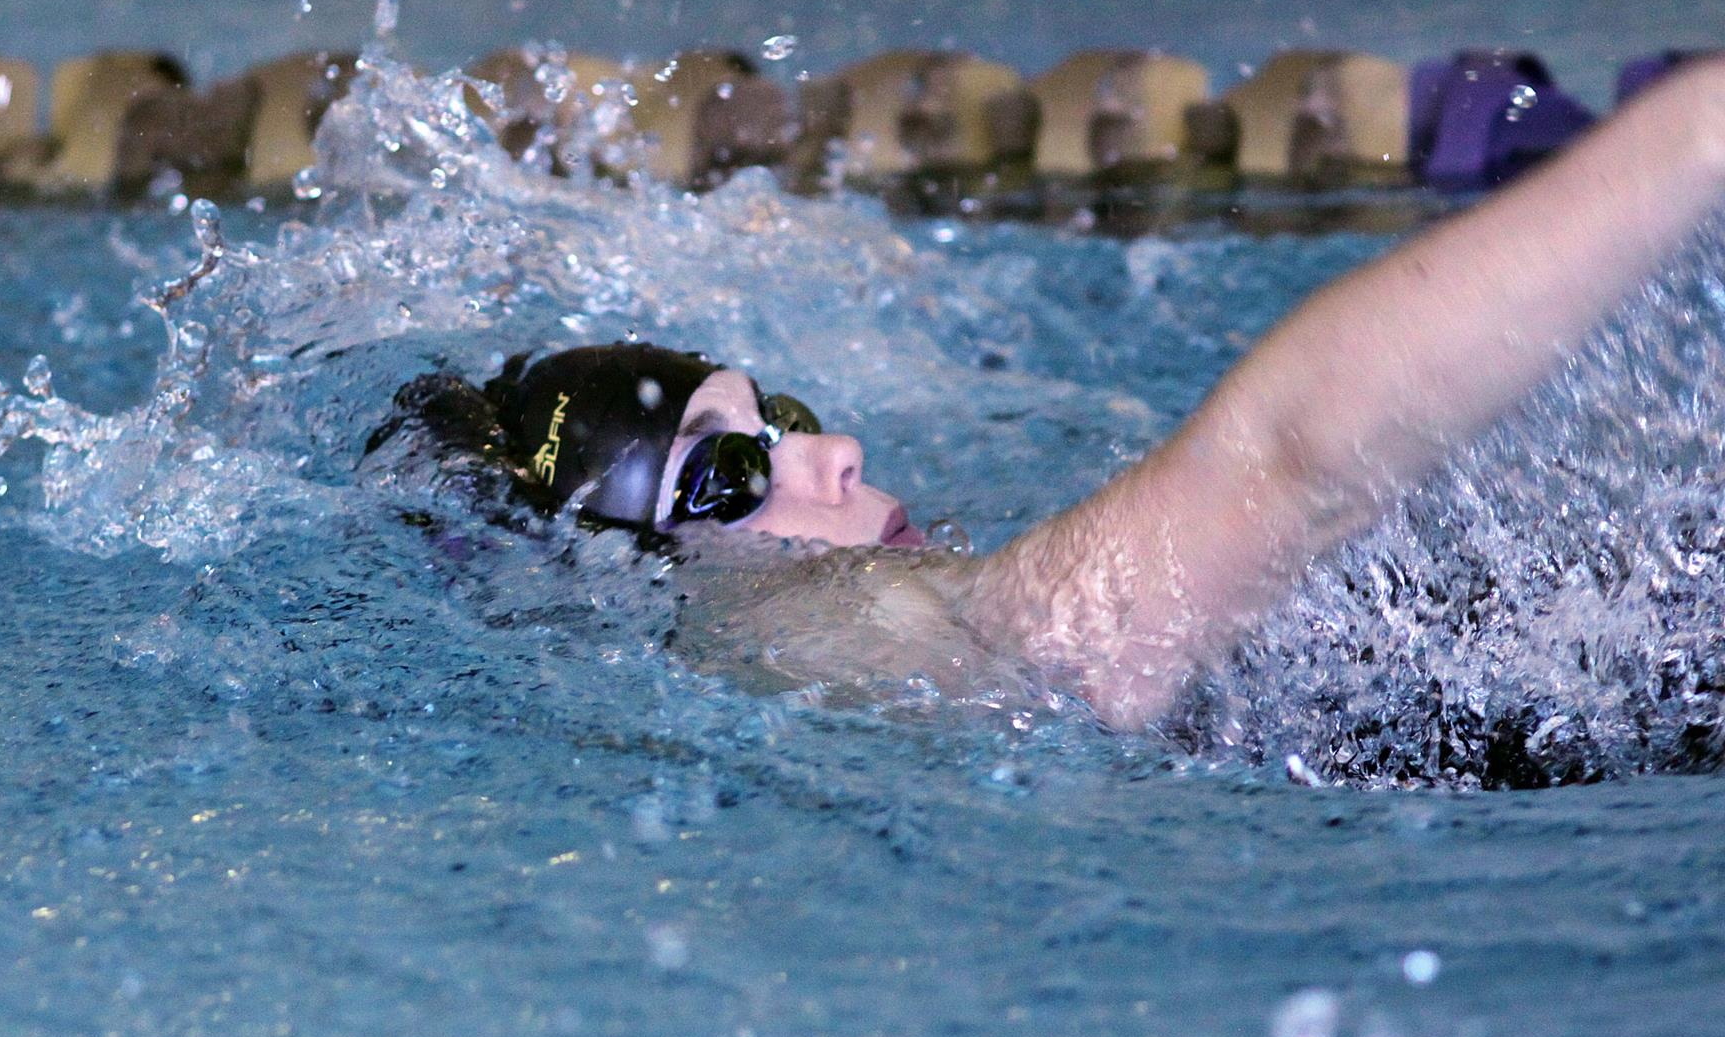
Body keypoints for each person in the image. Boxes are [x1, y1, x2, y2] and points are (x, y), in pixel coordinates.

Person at [373, 56, 1725, 730]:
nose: (831, 451)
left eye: (776, 417)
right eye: (732, 478)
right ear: (627, 576)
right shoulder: (853, 639)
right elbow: (1288, 459)